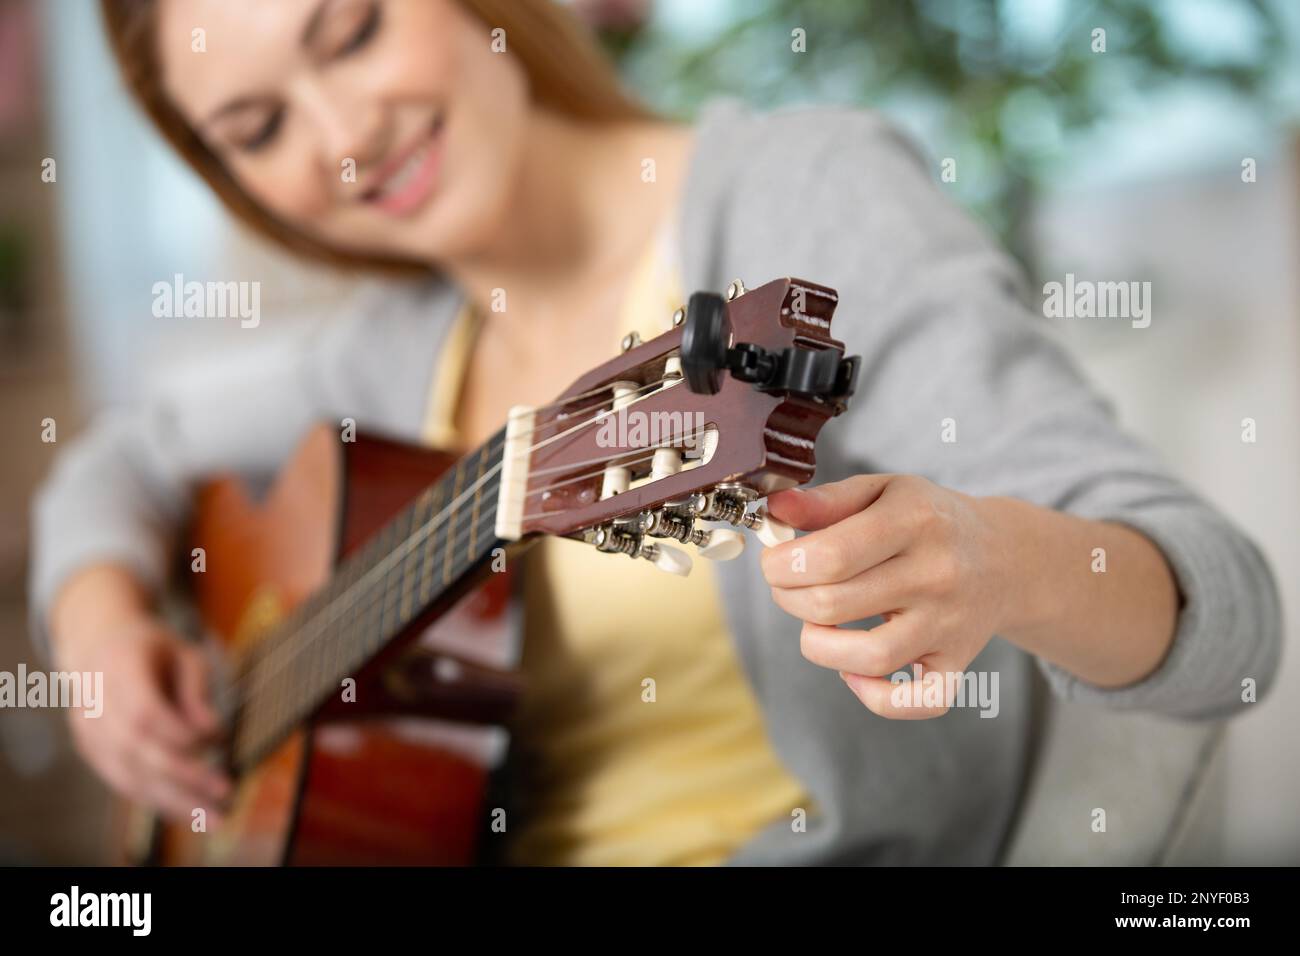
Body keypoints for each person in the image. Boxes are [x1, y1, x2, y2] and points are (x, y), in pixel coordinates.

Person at [32, 0, 1281, 865]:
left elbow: (1227, 621)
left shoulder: (805, 199)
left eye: (352, 29)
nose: (343, 137)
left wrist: (993, 556)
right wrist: (98, 616)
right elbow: (122, 451)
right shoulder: (385, 354)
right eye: (257, 130)